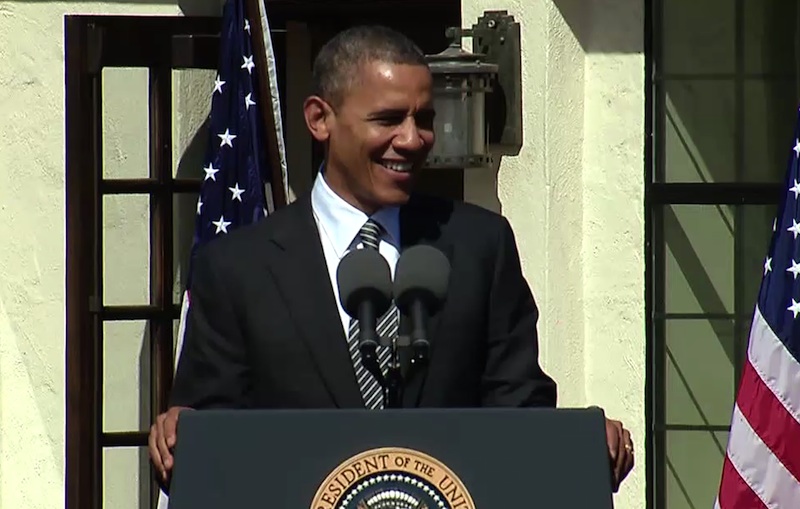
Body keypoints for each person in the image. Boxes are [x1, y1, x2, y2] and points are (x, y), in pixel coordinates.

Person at [148, 24, 634, 492]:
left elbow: (519, 411)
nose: (412, 139)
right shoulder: (237, 268)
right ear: (320, 119)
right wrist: (178, 435)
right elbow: (207, 446)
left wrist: (584, 444)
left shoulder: (478, 245)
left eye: (423, 119)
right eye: (388, 119)